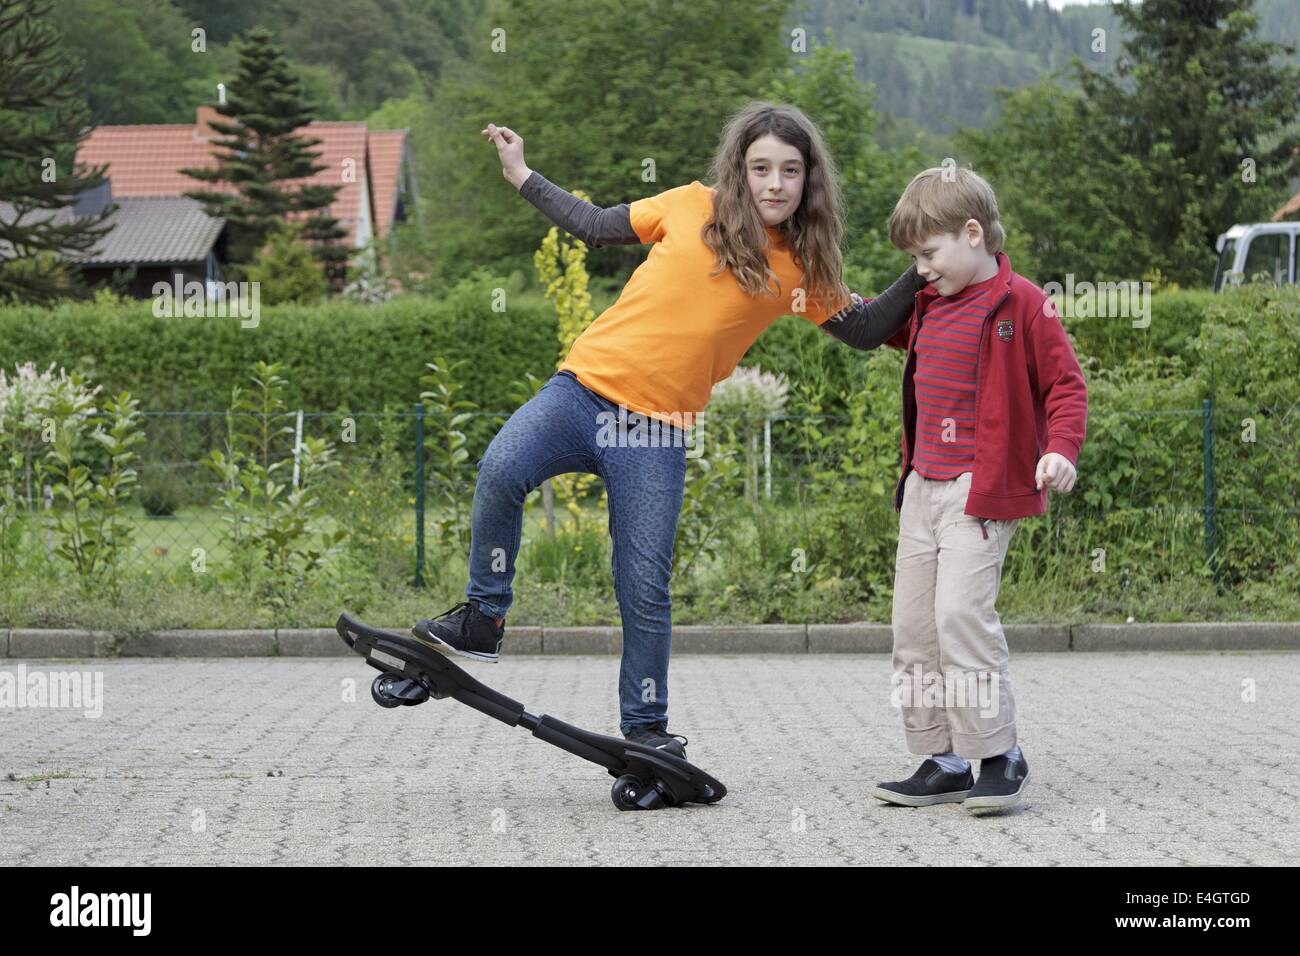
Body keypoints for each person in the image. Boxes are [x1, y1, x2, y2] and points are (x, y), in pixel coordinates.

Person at [411, 102, 926, 758]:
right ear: (739, 171)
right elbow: (596, 226)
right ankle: (484, 616)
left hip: (656, 434)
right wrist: (520, 175)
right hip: (582, 392)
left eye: (790, 171)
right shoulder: (689, 204)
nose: (774, 183)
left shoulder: (799, 268)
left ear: (809, 181)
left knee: (643, 583)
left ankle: (647, 730)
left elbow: (863, 328)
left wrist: (922, 271)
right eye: (761, 167)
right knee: (501, 469)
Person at [834, 166, 1087, 812]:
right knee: (914, 628)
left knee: (960, 618)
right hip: (921, 487)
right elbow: (863, 322)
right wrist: (805, 284)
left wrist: (1060, 451)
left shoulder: (1024, 302)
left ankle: (1000, 751)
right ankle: (940, 758)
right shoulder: (924, 303)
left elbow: (1066, 387)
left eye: (928, 252)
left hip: (981, 491)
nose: (919, 268)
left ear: (973, 233)